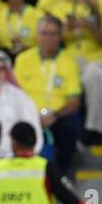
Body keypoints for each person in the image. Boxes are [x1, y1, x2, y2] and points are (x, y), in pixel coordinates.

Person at [46, 0, 102, 145]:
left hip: (98, 58)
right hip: (69, 59)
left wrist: (91, 27)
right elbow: (51, 39)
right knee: (64, 74)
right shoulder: (59, 7)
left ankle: (94, 130)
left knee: (94, 75)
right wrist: (64, 31)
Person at [13, 13, 80, 171]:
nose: (49, 38)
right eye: (45, 33)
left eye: (53, 33)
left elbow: (74, 101)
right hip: (28, 114)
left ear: (60, 36)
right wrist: (31, 113)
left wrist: (55, 115)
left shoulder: (69, 61)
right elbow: (15, 93)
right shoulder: (23, 59)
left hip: (56, 117)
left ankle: (63, 172)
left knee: (71, 122)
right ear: (37, 35)